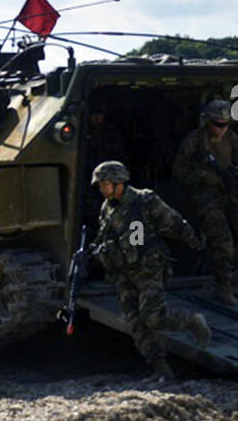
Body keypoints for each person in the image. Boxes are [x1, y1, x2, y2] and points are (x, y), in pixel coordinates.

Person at [90, 160, 211, 381]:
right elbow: (104, 235)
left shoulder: (144, 200)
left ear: (118, 182)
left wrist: (194, 244)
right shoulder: (107, 207)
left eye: (105, 184)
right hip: (124, 271)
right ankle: (161, 371)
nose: (101, 188)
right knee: (136, 324)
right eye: (100, 184)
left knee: (153, 317)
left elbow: (174, 222)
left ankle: (193, 321)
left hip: (148, 267)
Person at [173, 98, 238, 305]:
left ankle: (232, 271)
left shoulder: (233, 141)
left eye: (225, 125)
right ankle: (222, 286)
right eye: (217, 125)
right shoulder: (194, 141)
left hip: (228, 193)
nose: (221, 129)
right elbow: (179, 171)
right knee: (222, 239)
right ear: (207, 122)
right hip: (203, 195)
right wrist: (203, 177)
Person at [81, 93, 128, 227]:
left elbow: (120, 158)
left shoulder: (111, 134)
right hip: (89, 182)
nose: (97, 118)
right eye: (94, 114)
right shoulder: (84, 133)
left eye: (100, 114)